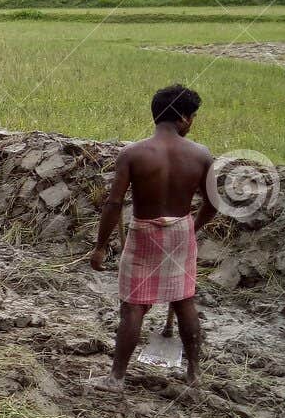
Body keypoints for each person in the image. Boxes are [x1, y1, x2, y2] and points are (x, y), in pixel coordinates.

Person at [88, 84, 216, 390]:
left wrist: (100, 246)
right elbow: (213, 204)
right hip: (181, 231)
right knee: (184, 300)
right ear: (184, 118)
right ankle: (194, 373)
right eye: (194, 116)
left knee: (133, 307)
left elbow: (114, 204)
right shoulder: (200, 154)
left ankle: (116, 377)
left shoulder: (133, 154)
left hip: (144, 233)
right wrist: (191, 228)